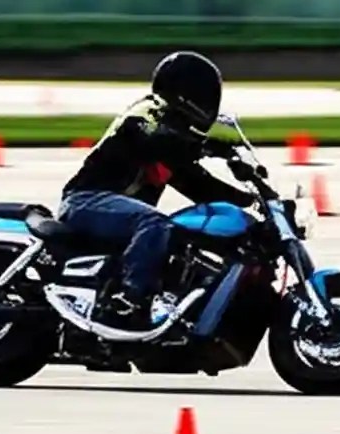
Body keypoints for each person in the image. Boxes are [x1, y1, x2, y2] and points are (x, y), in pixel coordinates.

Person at [57, 51, 255, 330]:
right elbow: (151, 138)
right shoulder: (146, 112)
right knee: (154, 222)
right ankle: (129, 302)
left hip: (111, 210)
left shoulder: (171, 142)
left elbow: (197, 185)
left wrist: (250, 202)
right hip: (85, 201)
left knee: (181, 233)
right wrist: (206, 147)